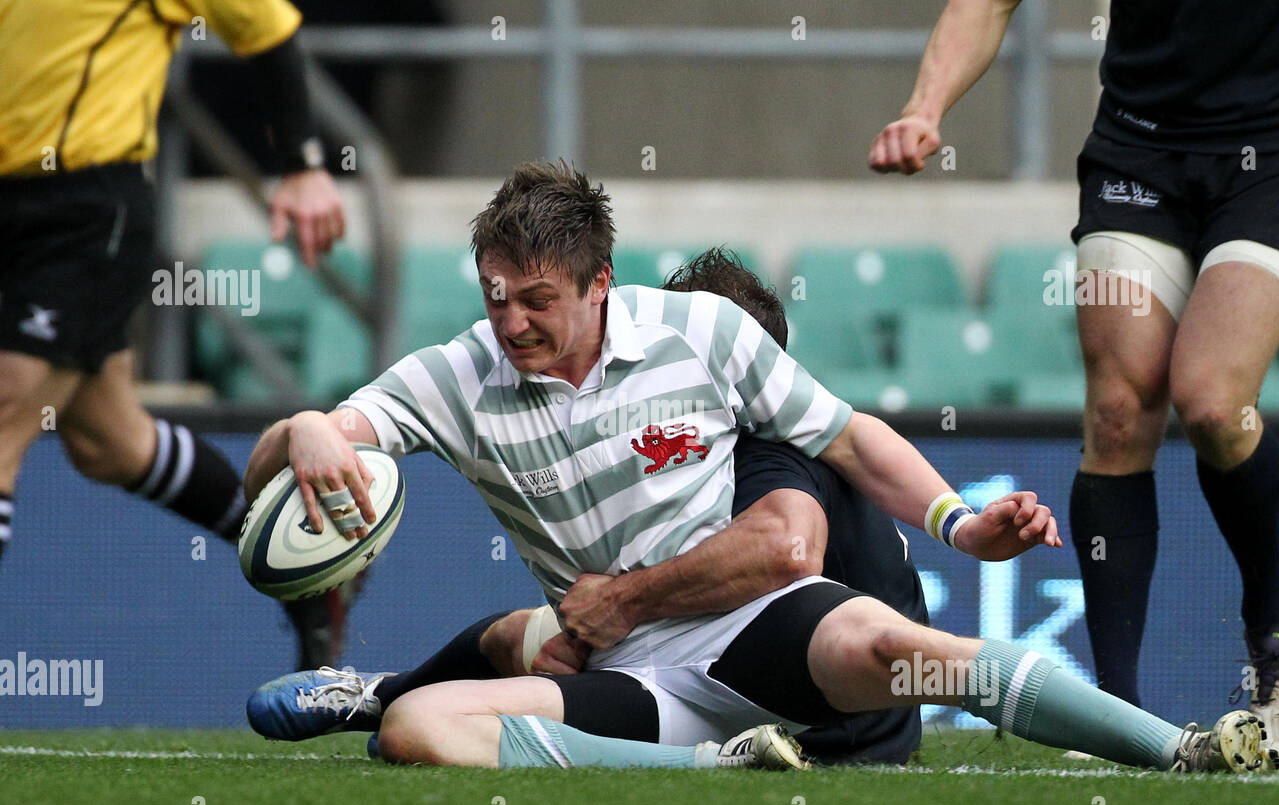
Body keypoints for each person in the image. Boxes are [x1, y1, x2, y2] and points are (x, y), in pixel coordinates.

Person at [245, 161, 1273, 775]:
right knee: (420, 728)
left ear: (601, 283)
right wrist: (304, 427)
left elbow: (853, 439)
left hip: (754, 628)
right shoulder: (454, 374)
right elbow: (284, 476)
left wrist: (960, 522)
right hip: (631, 680)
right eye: (495, 295)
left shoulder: (703, 334)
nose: (510, 322)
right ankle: (706, 766)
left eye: (537, 300)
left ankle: (1180, 747)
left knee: (918, 647)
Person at [255, 247, 933, 766]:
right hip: (785, 696)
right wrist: (304, 426)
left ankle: (394, 702)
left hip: (806, 725)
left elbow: (784, 553)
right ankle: (377, 694)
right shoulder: (739, 441)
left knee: (523, 659)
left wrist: (615, 609)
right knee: (522, 633)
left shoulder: (775, 450)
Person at [868, 0, 1279, 758]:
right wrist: (924, 108)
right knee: (1117, 413)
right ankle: (1116, 710)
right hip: (1141, 148)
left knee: (1210, 402)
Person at [0, 0, 352, 668]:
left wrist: (303, 164)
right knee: (111, 443)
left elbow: (270, 27)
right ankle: (308, 565)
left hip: (84, 211)